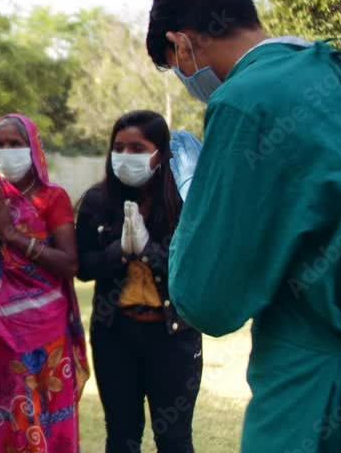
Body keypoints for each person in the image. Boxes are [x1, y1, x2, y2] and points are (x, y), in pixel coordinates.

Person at [146, 0, 341, 452]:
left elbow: (209, 300)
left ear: (181, 44)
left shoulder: (246, 101)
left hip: (315, 396)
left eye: (176, 65)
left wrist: (200, 202)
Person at [75, 110, 202, 453]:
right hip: (115, 335)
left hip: (172, 338)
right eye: (119, 148)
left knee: (174, 438)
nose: (126, 157)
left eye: (137, 148)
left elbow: (192, 269)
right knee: (121, 436)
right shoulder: (97, 201)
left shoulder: (184, 203)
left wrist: (149, 251)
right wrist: (118, 252)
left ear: (160, 153)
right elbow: (82, 266)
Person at [0, 114, 89, 453]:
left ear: (33, 148)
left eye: (14, 144)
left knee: (44, 416)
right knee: (1, 414)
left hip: (45, 334)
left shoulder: (52, 198)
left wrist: (12, 235)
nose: (6, 151)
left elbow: (70, 263)